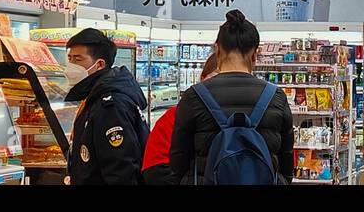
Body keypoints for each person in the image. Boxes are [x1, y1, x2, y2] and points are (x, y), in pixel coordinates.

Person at [168, 10, 294, 184]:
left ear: (217, 49)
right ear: (255, 54)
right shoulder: (276, 97)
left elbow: (178, 160)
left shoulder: (194, 96)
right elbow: (286, 162)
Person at [62, 28, 149, 185]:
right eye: (69, 58)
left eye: (78, 59)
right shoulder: (95, 95)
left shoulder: (112, 104)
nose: (71, 66)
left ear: (99, 64)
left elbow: (121, 167)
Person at [141, 52, 220, 185]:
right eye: (215, 79)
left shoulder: (246, 120)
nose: (220, 88)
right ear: (202, 78)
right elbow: (154, 170)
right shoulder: (175, 116)